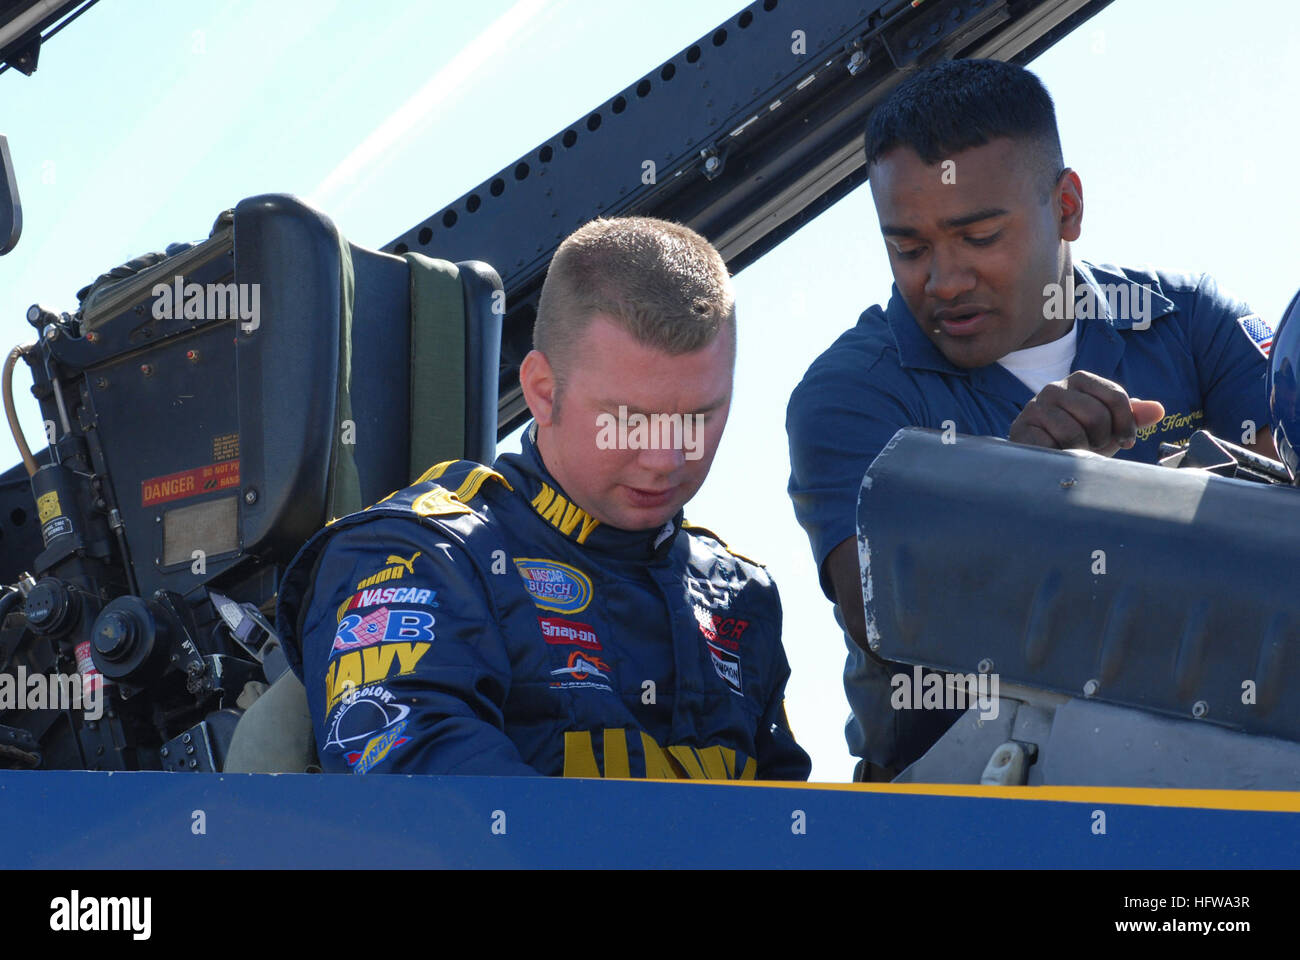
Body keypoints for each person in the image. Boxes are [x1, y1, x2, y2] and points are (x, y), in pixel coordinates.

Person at [786, 58, 1277, 781]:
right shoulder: (850, 393)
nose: (944, 280)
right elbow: (890, 622)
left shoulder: (1195, 324)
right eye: (908, 248)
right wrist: (1017, 493)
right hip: (962, 797)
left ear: (1068, 207)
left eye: (979, 236)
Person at [276, 216, 810, 780]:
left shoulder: (738, 596)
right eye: (628, 421)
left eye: (698, 418)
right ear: (542, 391)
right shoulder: (416, 556)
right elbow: (428, 808)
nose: (666, 459)